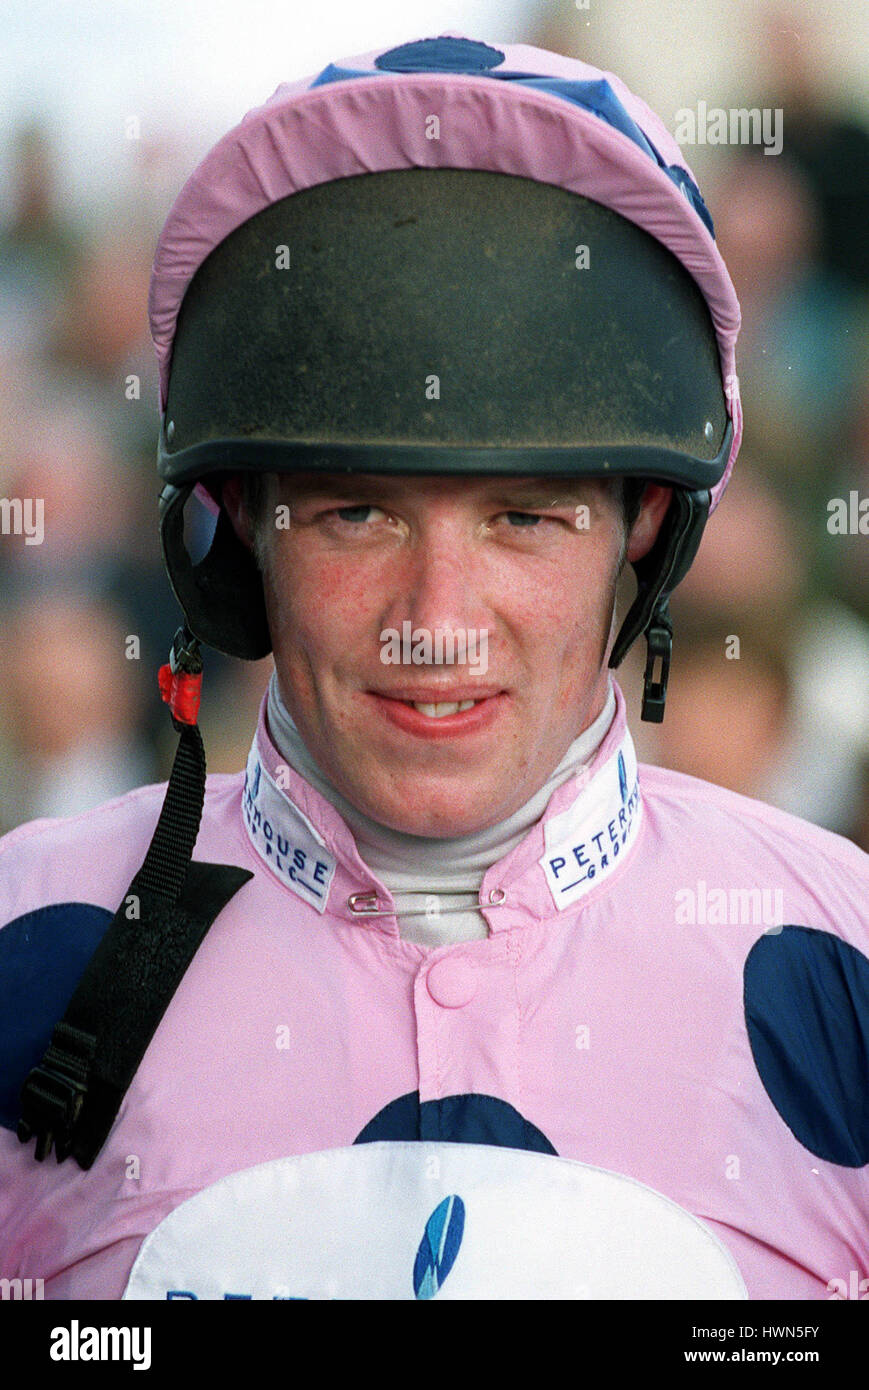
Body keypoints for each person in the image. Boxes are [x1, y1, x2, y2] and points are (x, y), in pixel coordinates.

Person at [0, 33, 866, 1303]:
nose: (436, 620)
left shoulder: (844, 956)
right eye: (358, 512)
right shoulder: (23, 945)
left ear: (642, 527)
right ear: (239, 525)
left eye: (524, 516)